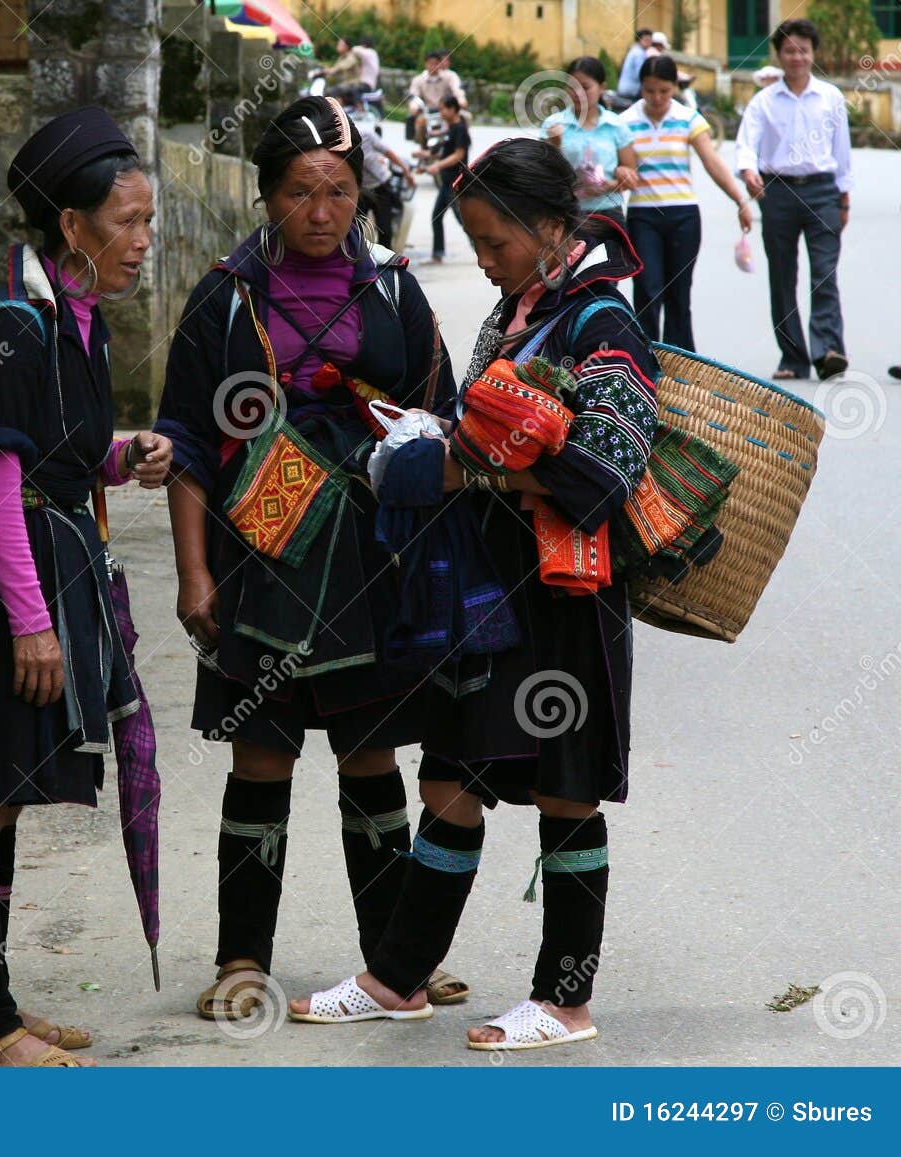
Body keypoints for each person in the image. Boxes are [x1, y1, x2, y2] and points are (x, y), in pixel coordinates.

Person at [288, 138, 658, 1051]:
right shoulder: (520, 310)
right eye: (478, 243)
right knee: (452, 772)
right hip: (496, 597)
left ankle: (565, 1000)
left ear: (547, 228)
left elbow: (608, 469)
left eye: (494, 243)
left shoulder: (602, 324)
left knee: (565, 791)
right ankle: (397, 977)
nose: (485, 261)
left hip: (569, 593)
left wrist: (464, 471)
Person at [152, 95, 470, 1024]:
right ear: (267, 196)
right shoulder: (225, 297)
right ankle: (241, 959)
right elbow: (185, 437)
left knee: (372, 758)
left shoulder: (397, 293)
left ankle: (394, 961)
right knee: (263, 757)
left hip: (368, 560)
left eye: (338, 191)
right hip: (258, 559)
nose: (321, 211)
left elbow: (436, 421)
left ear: (360, 196)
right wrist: (193, 572)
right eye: (300, 192)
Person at [0, 106, 173, 1068]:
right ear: (72, 226)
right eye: (129, 223)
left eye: (150, 223)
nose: (144, 242)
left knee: (4, 789)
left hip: (36, 576)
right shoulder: (7, 329)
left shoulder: (75, 325)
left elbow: (54, 452)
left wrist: (122, 456)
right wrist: (31, 624)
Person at [735, 18, 852, 381]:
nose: (797, 57)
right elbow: (745, 146)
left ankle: (828, 350)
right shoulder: (763, 102)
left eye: (803, 50)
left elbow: (842, 152)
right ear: (779, 55)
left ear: (813, 54)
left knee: (824, 273)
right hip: (778, 192)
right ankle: (793, 357)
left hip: (822, 192)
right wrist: (748, 172)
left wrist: (843, 199)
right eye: (789, 50)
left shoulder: (830, 98)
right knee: (782, 276)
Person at [621, 54, 753, 350]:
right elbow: (617, 168)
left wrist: (739, 200)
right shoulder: (625, 122)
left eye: (664, 91)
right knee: (646, 288)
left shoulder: (688, 119)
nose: (657, 98)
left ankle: (682, 363)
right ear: (640, 87)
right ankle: (645, 358)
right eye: (649, 90)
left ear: (675, 88)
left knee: (678, 293)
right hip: (643, 217)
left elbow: (712, 162)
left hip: (683, 216)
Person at [540, 56, 638, 226]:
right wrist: (555, 145)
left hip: (609, 212)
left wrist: (609, 185)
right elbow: (544, 174)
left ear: (602, 88)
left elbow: (631, 175)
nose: (578, 94)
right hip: (566, 212)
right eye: (572, 87)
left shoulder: (615, 125)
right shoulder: (553, 125)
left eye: (585, 87)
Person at [419, 94, 470, 264]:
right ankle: (438, 254)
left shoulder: (460, 129)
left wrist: (438, 166)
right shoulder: (450, 129)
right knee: (437, 217)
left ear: (452, 109)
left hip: (456, 182)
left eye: (442, 109)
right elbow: (445, 152)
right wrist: (425, 156)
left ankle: (485, 248)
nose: (440, 112)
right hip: (447, 182)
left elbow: (459, 155)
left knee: (463, 220)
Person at [359, 126, 417, 247]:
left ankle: (387, 262)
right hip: (360, 190)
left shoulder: (367, 134)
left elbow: (387, 152)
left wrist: (406, 171)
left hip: (380, 186)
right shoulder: (342, 141)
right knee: (354, 227)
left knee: (385, 229)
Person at [407, 49, 465, 145]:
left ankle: (460, 144)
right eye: (430, 63)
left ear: (440, 64)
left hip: (446, 111)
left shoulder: (449, 77)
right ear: (425, 64)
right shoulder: (418, 79)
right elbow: (413, 95)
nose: (433, 66)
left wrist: (461, 99)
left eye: (436, 63)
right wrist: (414, 106)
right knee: (420, 122)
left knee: (463, 118)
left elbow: (457, 90)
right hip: (427, 112)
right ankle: (423, 146)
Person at [617, 28, 655, 100]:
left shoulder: (634, 50)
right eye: (646, 40)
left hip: (624, 88)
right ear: (639, 40)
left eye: (650, 41)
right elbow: (641, 74)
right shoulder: (639, 53)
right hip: (631, 90)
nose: (649, 43)